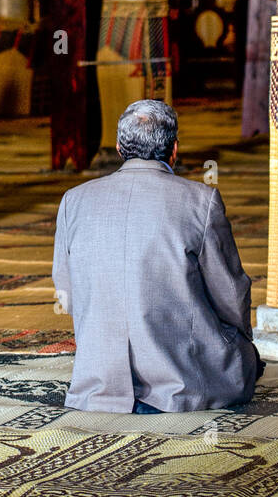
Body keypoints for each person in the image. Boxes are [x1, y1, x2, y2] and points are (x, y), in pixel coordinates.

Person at [52, 98, 262, 413]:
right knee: (246, 358)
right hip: (180, 383)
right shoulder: (201, 201)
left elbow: (66, 296)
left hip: (98, 381)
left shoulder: (73, 200)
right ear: (174, 149)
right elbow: (230, 294)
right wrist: (240, 339)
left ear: (120, 150)